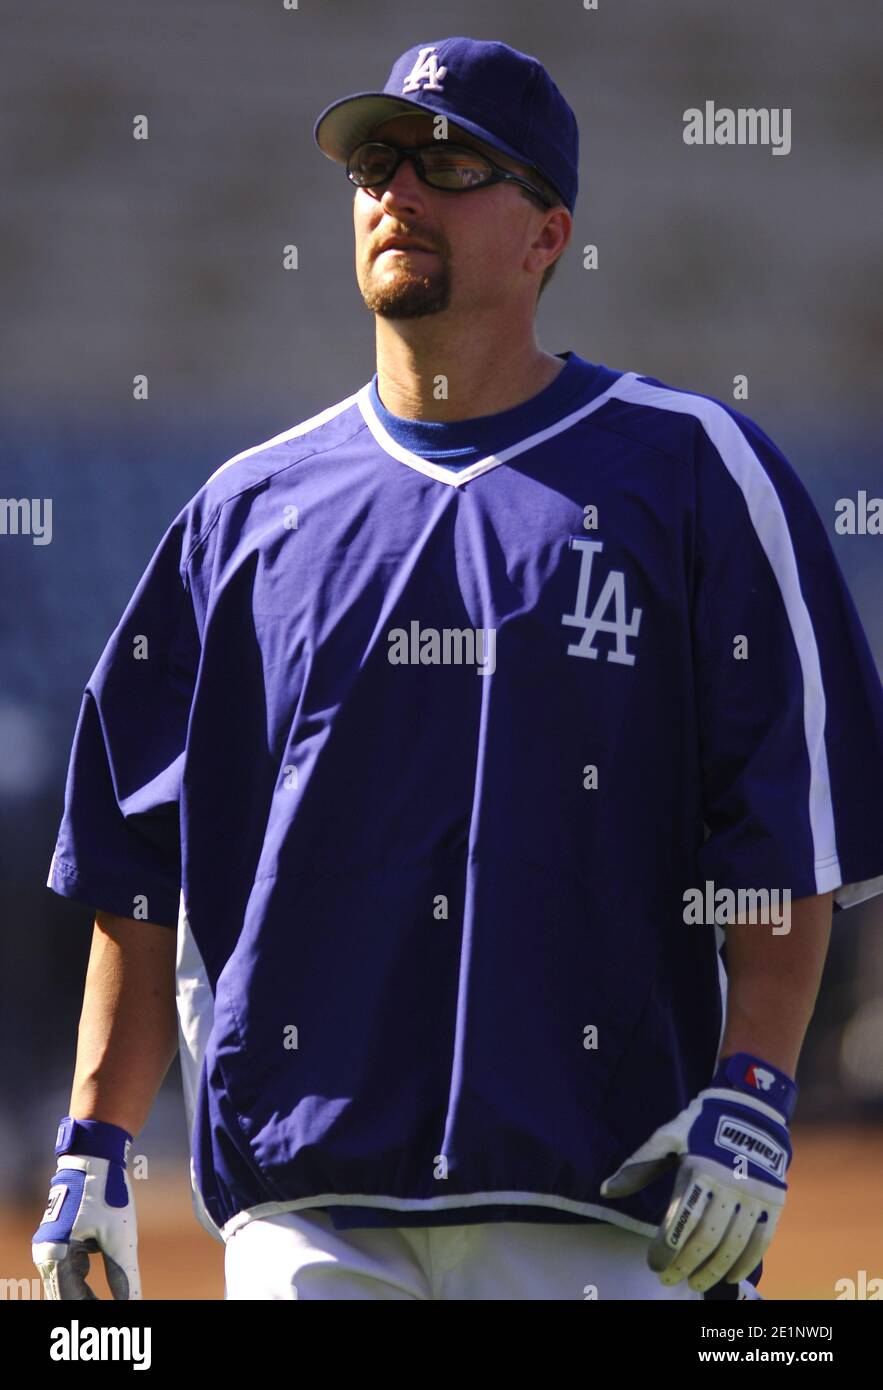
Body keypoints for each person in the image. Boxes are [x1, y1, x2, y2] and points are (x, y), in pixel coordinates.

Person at [33, 36, 883, 1301]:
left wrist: (756, 1086)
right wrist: (96, 1138)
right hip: (305, 1206)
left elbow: (779, 824)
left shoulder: (693, 471)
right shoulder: (242, 513)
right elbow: (136, 868)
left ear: (547, 235)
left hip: (606, 1202)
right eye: (377, 162)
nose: (398, 190)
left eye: (449, 162)